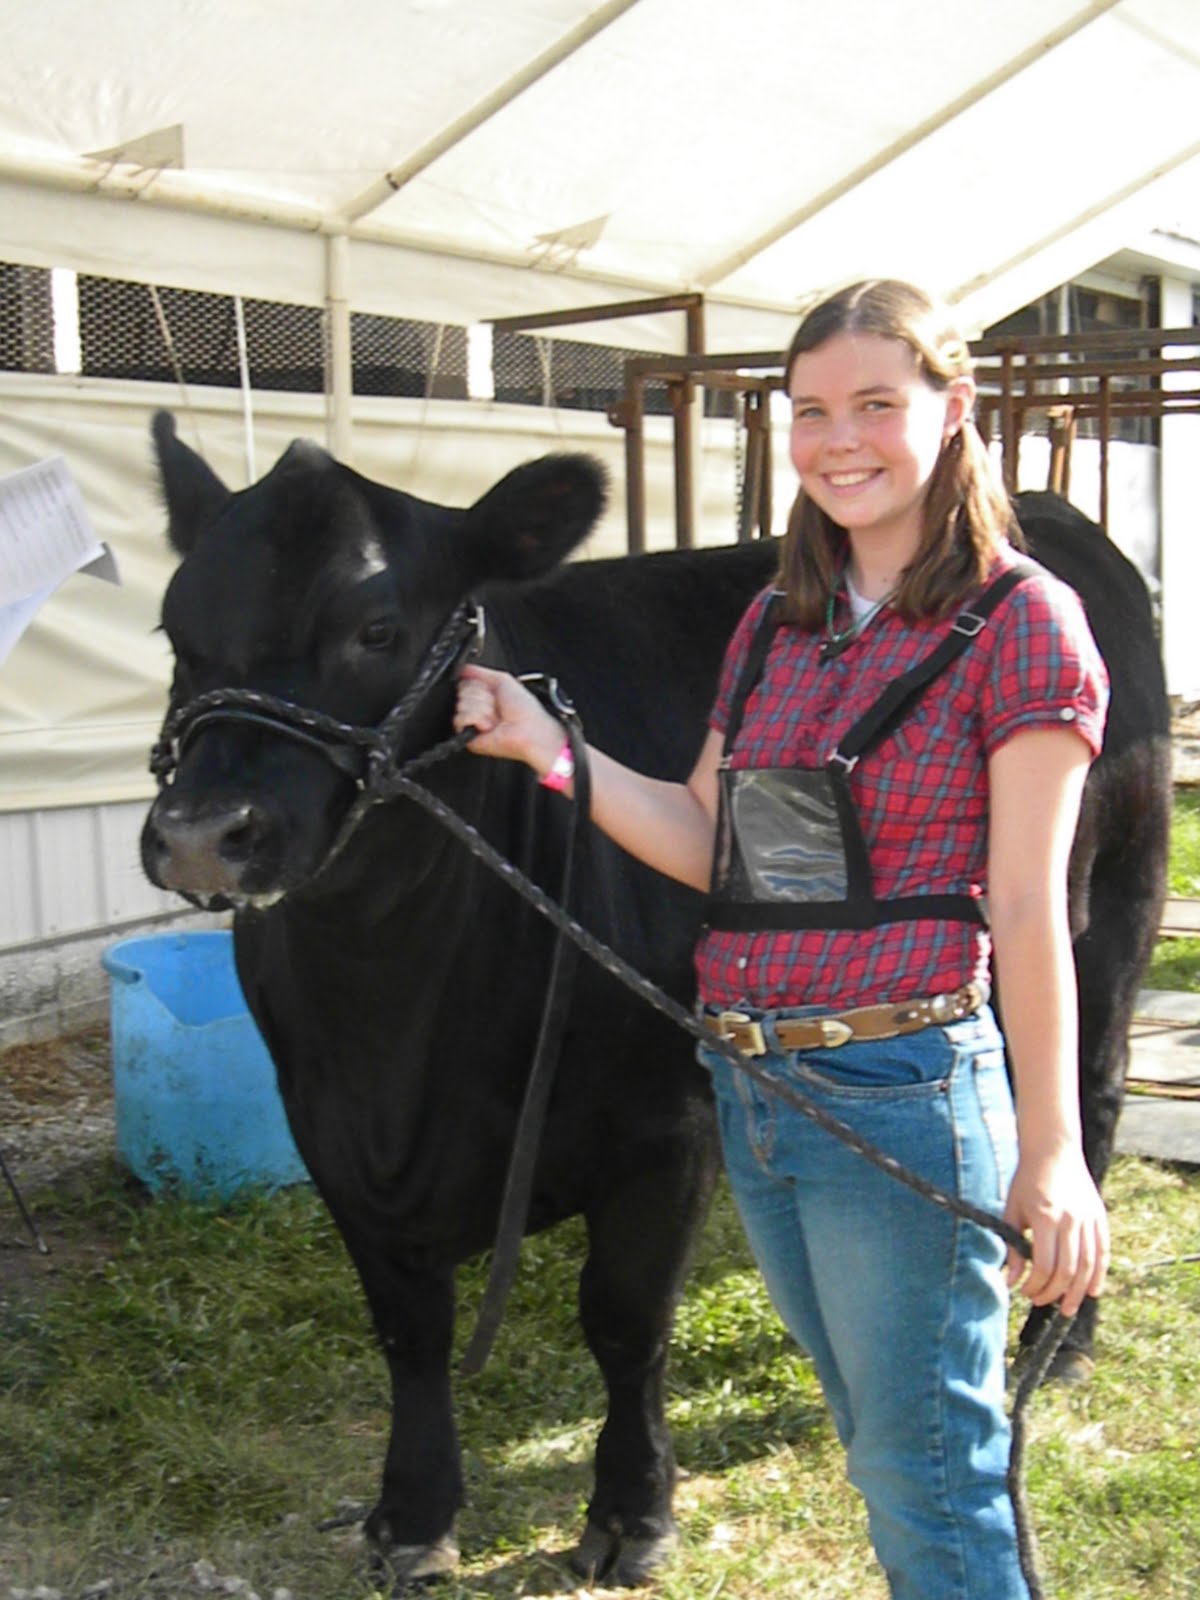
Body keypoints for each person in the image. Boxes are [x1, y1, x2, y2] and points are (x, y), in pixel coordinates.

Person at [453, 278, 1110, 1600]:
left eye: (877, 402)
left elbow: (1032, 907)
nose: (839, 439)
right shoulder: (782, 625)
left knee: (927, 1467)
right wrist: (550, 746)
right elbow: (717, 847)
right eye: (812, 410)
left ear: (953, 408)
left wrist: (1054, 1152)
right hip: (761, 1093)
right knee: (884, 1449)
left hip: (907, 1088)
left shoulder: (1019, 621)